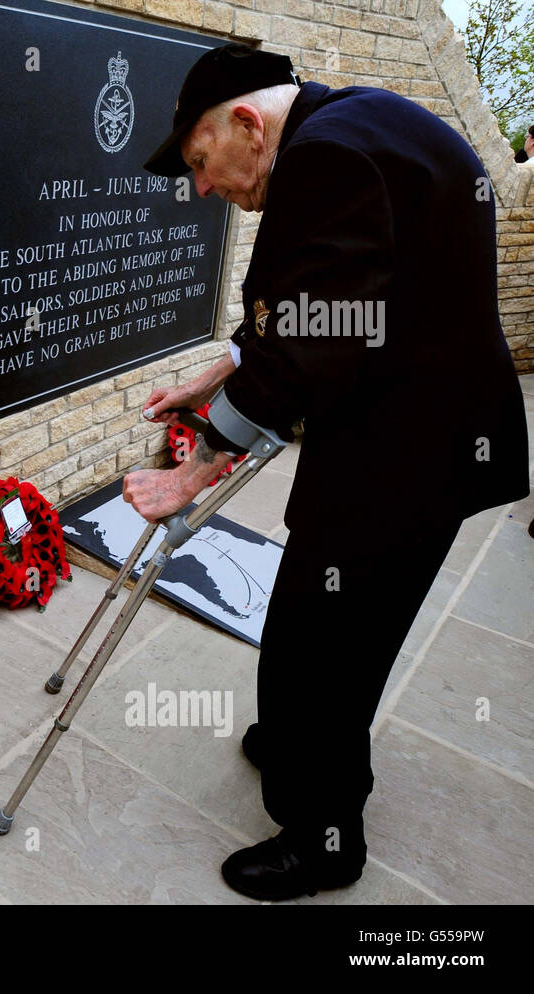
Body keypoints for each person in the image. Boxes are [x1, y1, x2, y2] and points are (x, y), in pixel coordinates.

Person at [123, 44, 530, 901]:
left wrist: (195, 471)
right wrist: (225, 364)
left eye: (200, 164)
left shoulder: (327, 156)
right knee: (315, 614)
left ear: (245, 123)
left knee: (333, 641)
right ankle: (294, 739)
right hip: (402, 430)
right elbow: (345, 288)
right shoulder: (348, 122)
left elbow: (312, 343)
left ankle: (324, 835)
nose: (202, 188)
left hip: (407, 451)